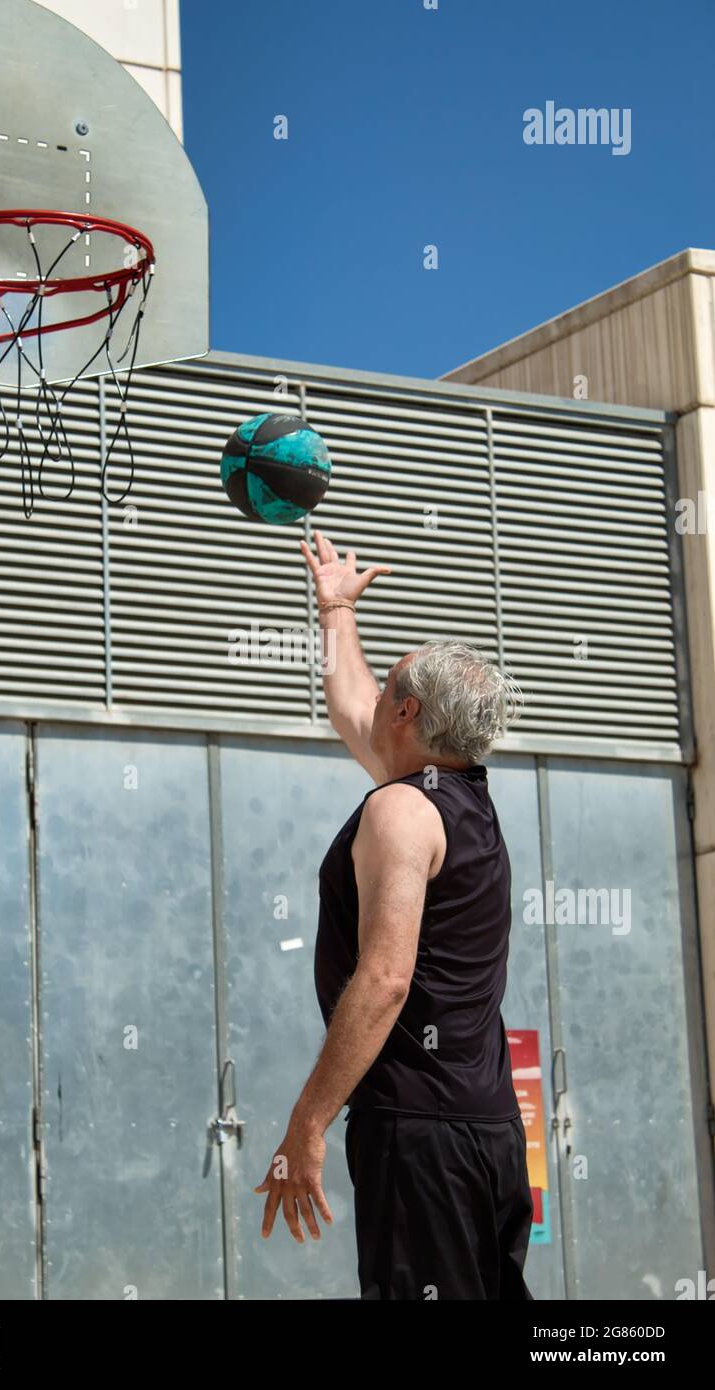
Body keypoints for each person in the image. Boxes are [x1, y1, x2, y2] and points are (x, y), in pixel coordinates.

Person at [254, 530, 533, 1300]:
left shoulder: (400, 812)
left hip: (422, 1137)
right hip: (488, 1130)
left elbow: (382, 981)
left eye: (387, 690)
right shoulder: (455, 795)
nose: (372, 695)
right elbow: (352, 706)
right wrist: (337, 609)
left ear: (407, 712)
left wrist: (308, 1122)